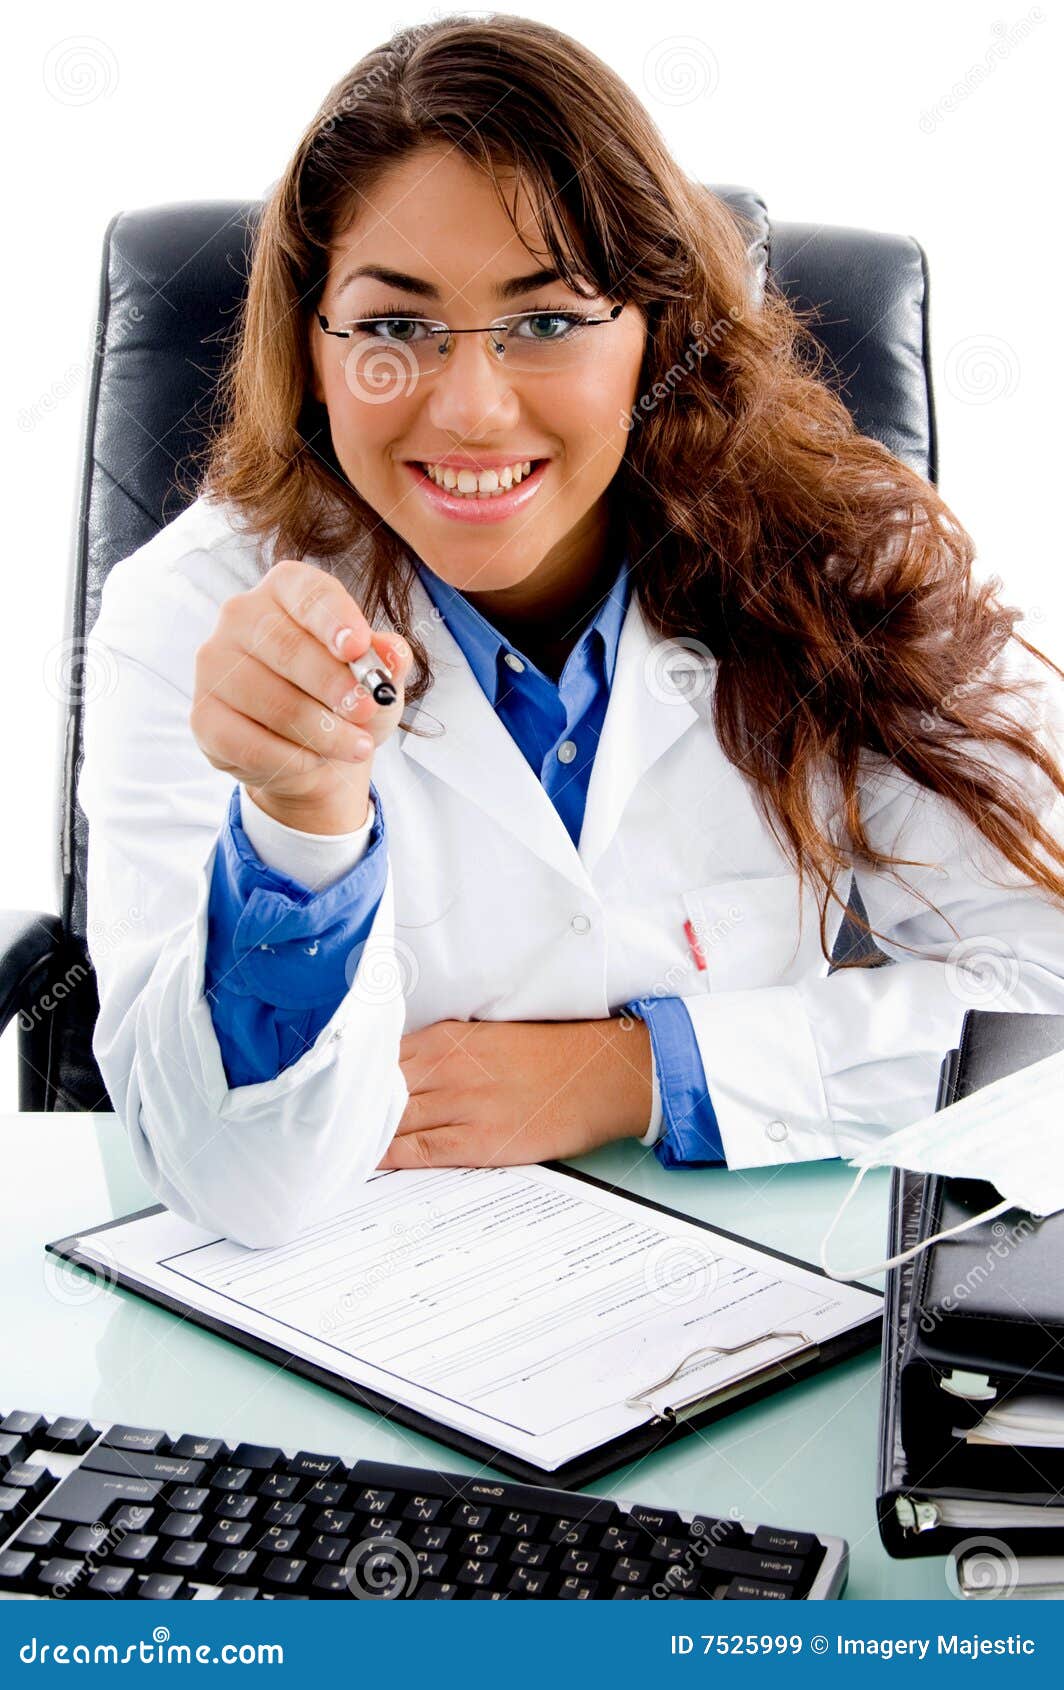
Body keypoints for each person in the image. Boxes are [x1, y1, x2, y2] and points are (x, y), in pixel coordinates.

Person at [80, 15, 1064, 1250]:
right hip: (368, 1311)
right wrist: (300, 822)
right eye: (393, 328)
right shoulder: (193, 616)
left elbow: (1047, 1011)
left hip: (759, 1281)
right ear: (312, 349)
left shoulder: (842, 553)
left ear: (655, 325)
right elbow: (241, 1183)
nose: (471, 406)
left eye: (545, 320)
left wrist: (641, 1071)